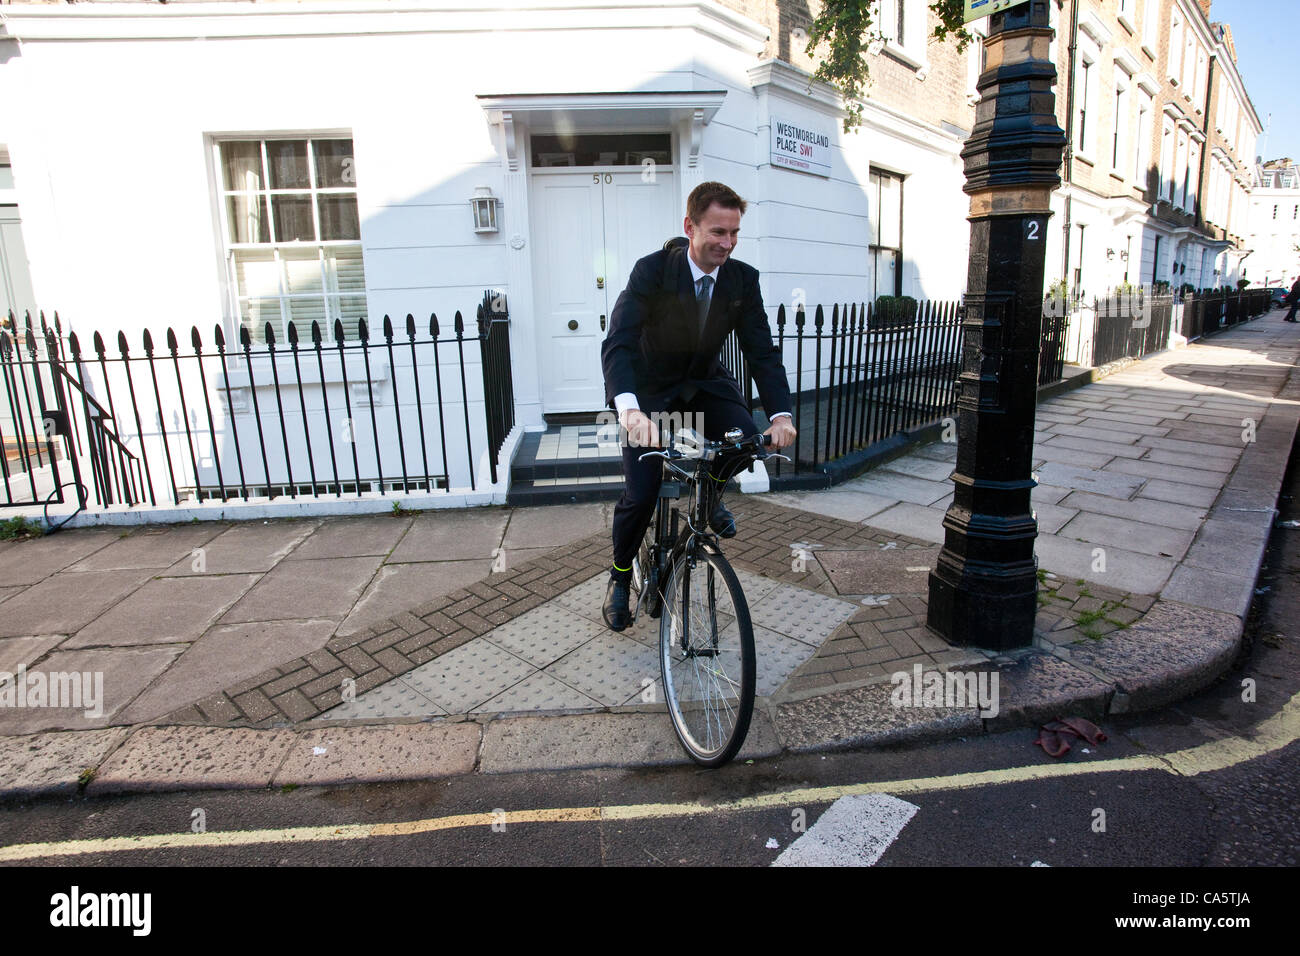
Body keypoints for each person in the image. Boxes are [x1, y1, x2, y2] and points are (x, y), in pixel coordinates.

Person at [599, 181, 797, 630]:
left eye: (734, 233)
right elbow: (620, 342)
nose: (726, 243)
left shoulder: (742, 279)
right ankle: (619, 575)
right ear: (690, 227)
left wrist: (781, 414)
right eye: (717, 232)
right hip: (650, 391)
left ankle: (707, 500)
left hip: (704, 385)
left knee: (745, 439)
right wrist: (630, 411)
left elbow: (761, 352)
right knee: (643, 492)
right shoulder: (651, 272)